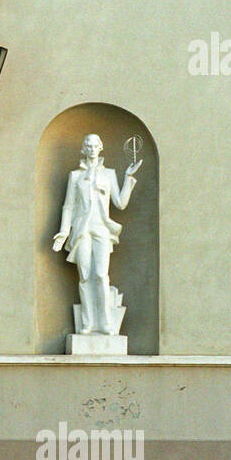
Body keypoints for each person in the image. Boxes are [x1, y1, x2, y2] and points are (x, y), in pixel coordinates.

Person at [51, 133, 141, 334]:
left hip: (101, 228)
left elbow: (120, 202)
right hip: (82, 230)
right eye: (88, 146)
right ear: (83, 149)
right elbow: (69, 206)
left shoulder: (109, 174)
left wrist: (128, 178)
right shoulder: (75, 176)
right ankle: (88, 323)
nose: (91, 149)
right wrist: (64, 232)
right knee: (84, 277)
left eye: (95, 145)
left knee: (100, 275)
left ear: (101, 148)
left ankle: (105, 323)